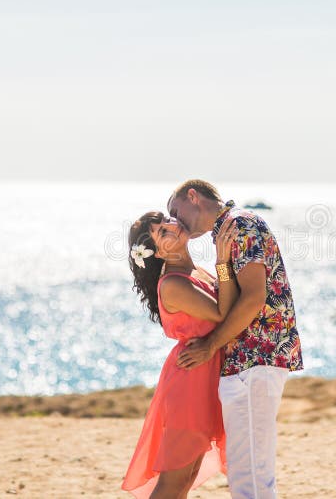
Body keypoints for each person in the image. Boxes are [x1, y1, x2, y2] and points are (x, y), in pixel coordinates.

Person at [168, 180, 303, 499]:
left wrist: (211, 345)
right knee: (249, 474)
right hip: (249, 363)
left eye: (175, 211)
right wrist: (221, 264)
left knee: (250, 478)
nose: (174, 220)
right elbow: (231, 299)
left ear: (193, 196)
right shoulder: (230, 230)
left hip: (254, 360)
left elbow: (254, 298)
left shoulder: (240, 225)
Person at [121, 211, 239, 499]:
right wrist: (223, 262)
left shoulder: (197, 272)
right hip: (189, 384)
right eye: (162, 232)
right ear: (158, 253)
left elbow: (231, 304)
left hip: (206, 377)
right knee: (174, 481)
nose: (172, 227)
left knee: (186, 479)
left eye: (166, 221)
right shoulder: (173, 283)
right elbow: (223, 313)